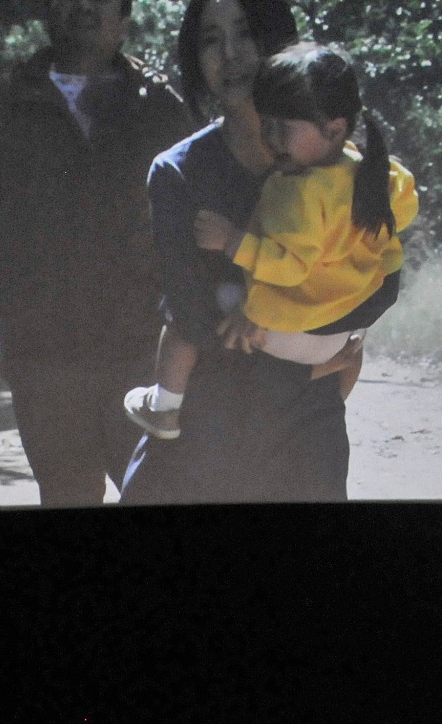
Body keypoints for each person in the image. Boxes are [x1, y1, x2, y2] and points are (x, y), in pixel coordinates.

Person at [0, 0, 193, 506]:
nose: (84, 6)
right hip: (41, 352)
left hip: (138, 348)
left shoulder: (158, 103)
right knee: (66, 492)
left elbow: (192, 212)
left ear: (124, 19)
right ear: (46, 11)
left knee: (152, 490)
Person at [117, 0, 366, 505]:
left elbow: (365, 292)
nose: (229, 55)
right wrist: (309, 364)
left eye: (246, 33)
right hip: (206, 437)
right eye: (210, 39)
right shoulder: (178, 173)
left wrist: (326, 356)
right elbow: (193, 314)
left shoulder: (337, 164)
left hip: (306, 441)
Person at [189, 43, 416, 367]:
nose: (272, 137)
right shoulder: (363, 165)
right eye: (267, 124)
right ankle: (331, 369)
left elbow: (290, 267)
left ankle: (168, 398)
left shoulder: (300, 192)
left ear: (335, 129)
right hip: (358, 308)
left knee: (216, 298)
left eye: (286, 127)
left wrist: (232, 242)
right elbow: (405, 205)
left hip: (308, 331)